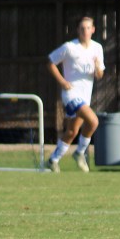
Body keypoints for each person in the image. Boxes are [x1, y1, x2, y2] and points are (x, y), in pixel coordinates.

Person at [47, 16, 105, 173]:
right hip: (70, 94)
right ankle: (80, 152)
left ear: (93, 30)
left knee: (72, 131)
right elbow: (51, 62)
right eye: (82, 28)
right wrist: (62, 82)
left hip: (85, 96)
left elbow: (99, 75)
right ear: (77, 30)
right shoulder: (69, 47)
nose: (85, 31)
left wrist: (98, 67)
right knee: (93, 121)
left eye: (88, 28)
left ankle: (53, 160)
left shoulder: (97, 48)